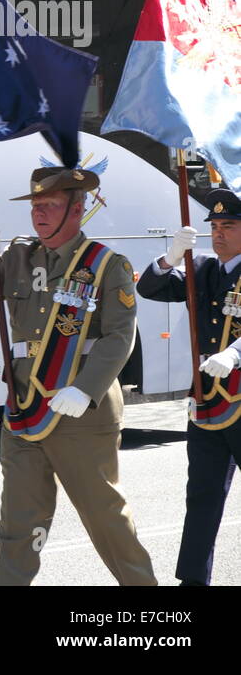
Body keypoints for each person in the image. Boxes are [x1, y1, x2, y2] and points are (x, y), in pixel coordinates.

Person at [0, 166, 156, 585]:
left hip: (81, 412)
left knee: (104, 519)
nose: (39, 214)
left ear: (77, 210)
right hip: (25, 406)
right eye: (36, 206)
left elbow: (119, 338)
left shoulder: (106, 265)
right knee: (17, 526)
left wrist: (84, 389)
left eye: (50, 205)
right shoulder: (18, 257)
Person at [137, 187, 241, 585]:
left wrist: (234, 353)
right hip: (209, 403)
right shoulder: (200, 269)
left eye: (228, 226)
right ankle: (194, 580)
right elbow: (150, 288)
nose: (218, 234)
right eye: (214, 226)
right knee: (202, 497)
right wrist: (170, 256)